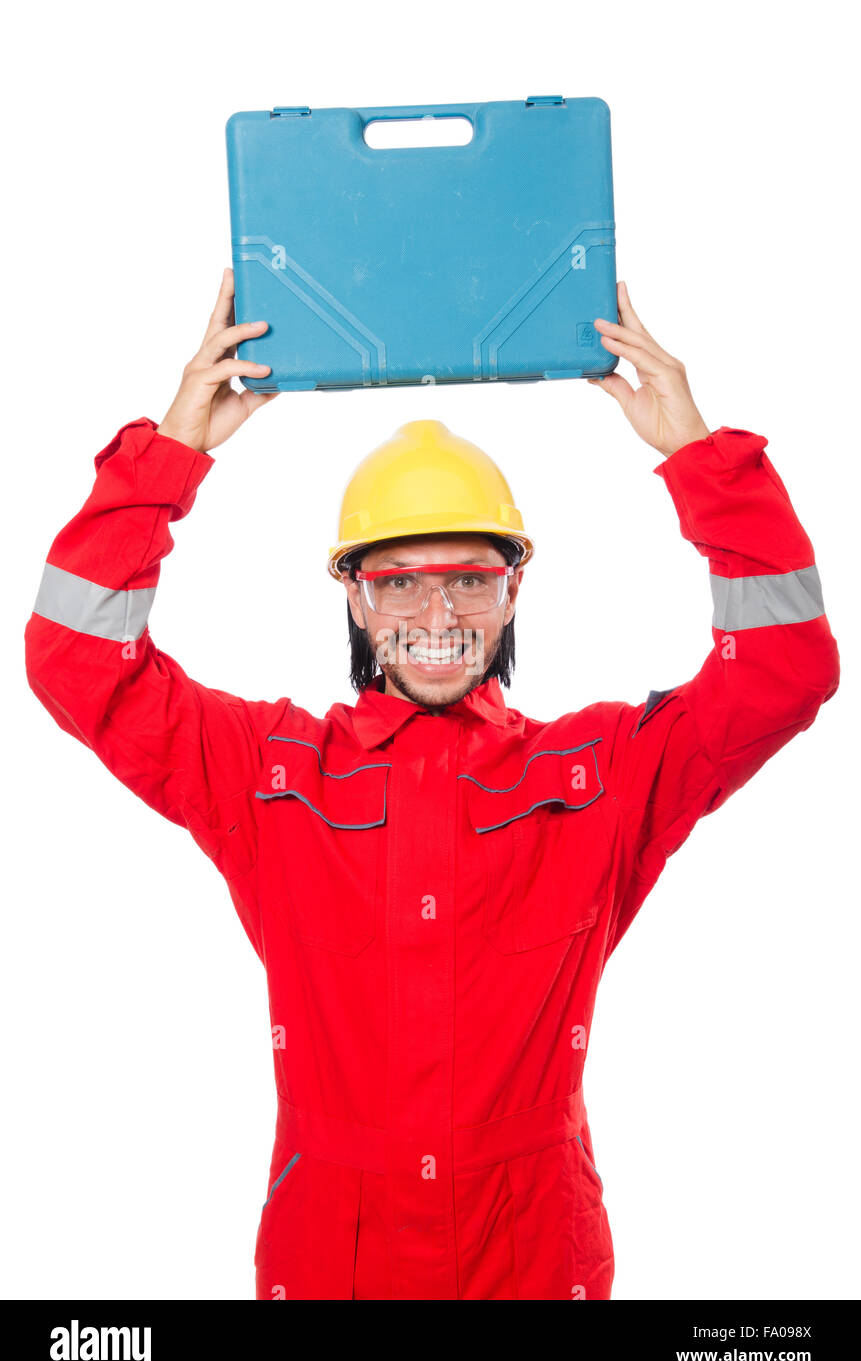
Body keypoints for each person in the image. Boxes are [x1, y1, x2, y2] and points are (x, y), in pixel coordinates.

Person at [24, 271, 840, 1301]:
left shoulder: (600, 778)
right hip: (334, 1250)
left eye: (470, 575)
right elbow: (75, 658)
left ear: (514, 588)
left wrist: (697, 457)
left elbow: (785, 670)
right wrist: (173, 449)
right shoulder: (268, 775)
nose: (436, 609)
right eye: (398, 579)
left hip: (532, 1247)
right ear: (355, 601)